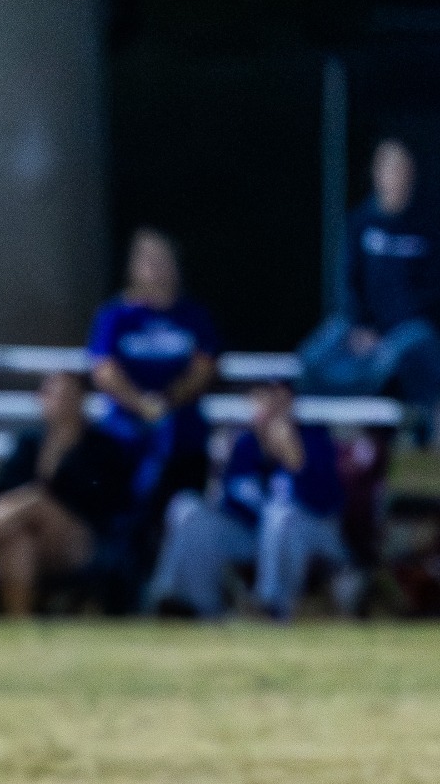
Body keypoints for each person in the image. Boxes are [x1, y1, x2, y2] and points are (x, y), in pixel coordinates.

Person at [147, 382, 351, 620]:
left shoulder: (314, 438)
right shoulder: (244, 445)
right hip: (257, 536)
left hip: (314, 533)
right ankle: (191, 607)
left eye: (277, 399)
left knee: (280, 514)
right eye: (261, 399)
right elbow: (230, 508)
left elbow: (326, 505)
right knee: (187, 508)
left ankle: (271, 608)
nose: (268, 408)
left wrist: (295, 460)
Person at [0, 372, 136, 618]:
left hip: (82, 540)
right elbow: (2, 494)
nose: (60, 401)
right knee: (17, 541)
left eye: (67, 395)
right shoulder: (28, 443)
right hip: (32, 537)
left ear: (81, 400)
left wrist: (55, 468)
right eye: (53, 395)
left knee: (36, 501)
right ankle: (21, 628)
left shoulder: (102, 448)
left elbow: (103, 502)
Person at [299, 139, 440, 440]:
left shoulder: (428, 226)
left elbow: (431, 294)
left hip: (406, 332)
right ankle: (327, 435)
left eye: (403, 170)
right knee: (311, 357)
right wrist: (360, 325)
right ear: (377, 173)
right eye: (391, 169)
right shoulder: (360, 222)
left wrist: (388, 330)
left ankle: (405, 424)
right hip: (362, 328)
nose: (397, 177)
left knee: (407, 351)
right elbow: (348, 281)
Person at [87, 228, 221, 537]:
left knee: (179, 507)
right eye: (148, 259)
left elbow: (205, 367)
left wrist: (167, 401)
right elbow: (103, 368)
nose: (156, 267)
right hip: (123, 437)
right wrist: (140, 403)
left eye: (163, 259)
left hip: (182, 438)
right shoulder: (116, 316)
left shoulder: (194, 316)